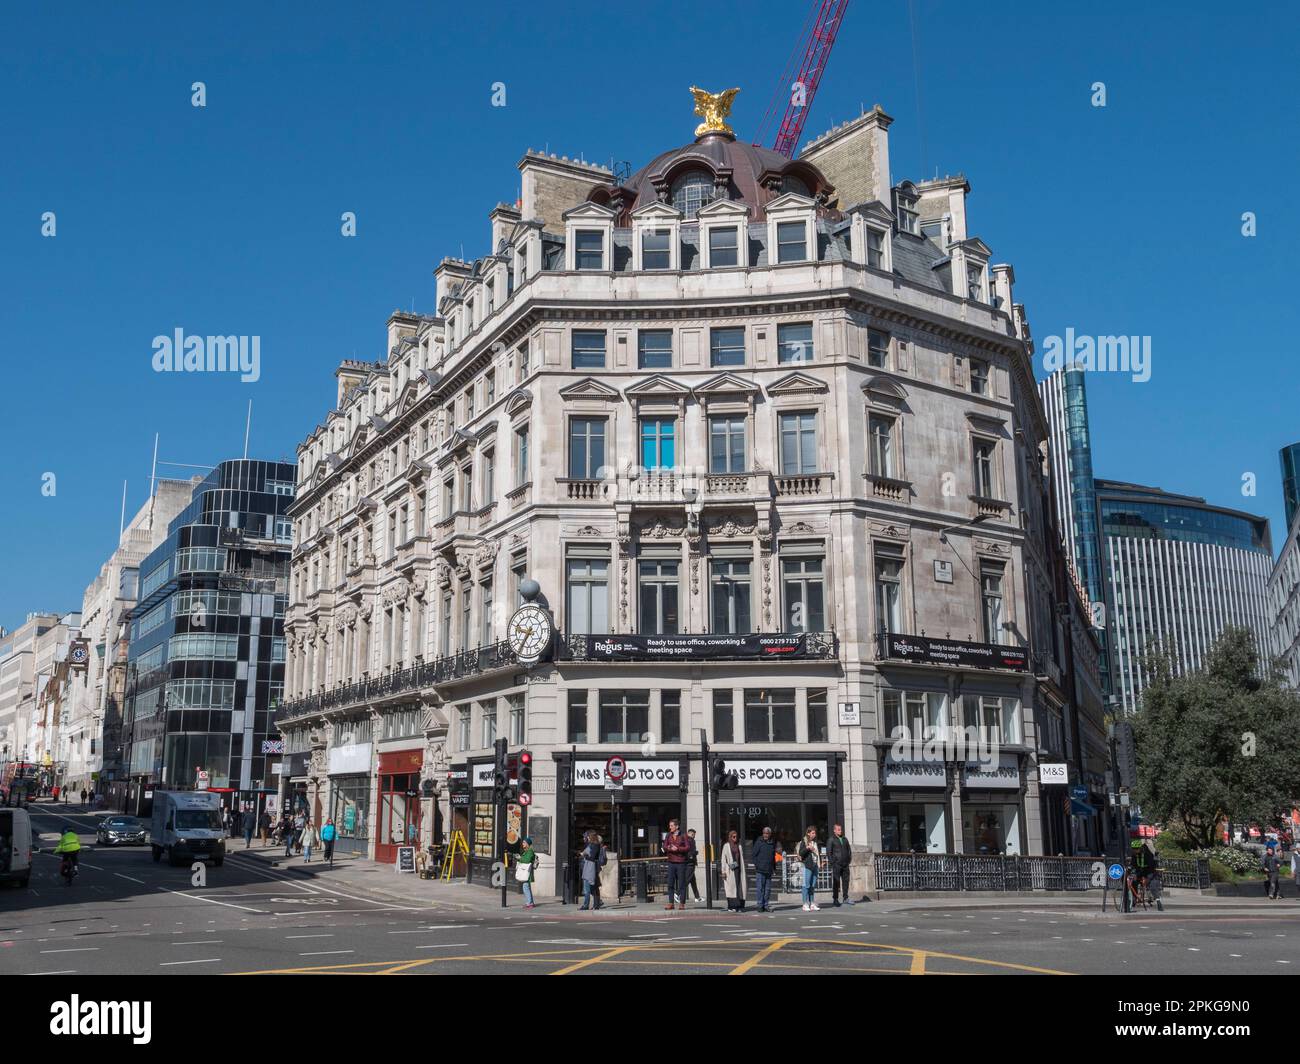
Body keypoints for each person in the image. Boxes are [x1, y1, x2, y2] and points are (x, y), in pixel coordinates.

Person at [661, 819, 691, 911]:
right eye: (669, 826)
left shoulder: (683, 835)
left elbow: (687, 847)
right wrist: (669, 847)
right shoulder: (668, 835)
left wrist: (677, 848)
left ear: (677, 826)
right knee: (670, 883)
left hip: (681, 862)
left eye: (671, 826)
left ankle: (682, 903)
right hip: (671, 862)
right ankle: (671, 903)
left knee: (681, 883)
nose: (670, 827)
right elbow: (664, 846)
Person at [751, 826, 778, 913]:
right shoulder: (759, 842)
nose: (766, 835)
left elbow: (773, 856)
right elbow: (754, 855)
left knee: (768, 889)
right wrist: (757, 865)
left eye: (767, 833)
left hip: (769, 870)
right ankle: (760, 905)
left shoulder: (772, 843)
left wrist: (774, 868)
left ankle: (766, 905)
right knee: (760, 888)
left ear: (770, 834)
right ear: (763, 834)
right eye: (764, 833)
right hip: (760, 870)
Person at [720, 829, 747, 912]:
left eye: (736, 836)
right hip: (730, 870)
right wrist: (723, 871)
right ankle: (731, 906)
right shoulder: (726, 846)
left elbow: (741, 858)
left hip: (738, 870)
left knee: (739, 888)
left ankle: (739, 906)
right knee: (731, 889)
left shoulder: (739, 846)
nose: (735, 838)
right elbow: (723, 859)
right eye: (733, 836)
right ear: (730, 837)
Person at [828, 823, 854, 906]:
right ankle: (835, 899)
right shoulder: (831, 839)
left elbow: (849, 850)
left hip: (845, 864)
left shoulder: (844, 839)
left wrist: (849, 860)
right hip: (837, 864)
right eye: (838, 829)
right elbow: (829, 852)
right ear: (834, 830)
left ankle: (845, 898)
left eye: (841, 829)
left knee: (846, 881)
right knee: (836, 882)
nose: (840, 831)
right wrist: (833, 862)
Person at [578, 831, 604, 911]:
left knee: (588, 888)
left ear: (591, 837)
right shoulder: (591, 845)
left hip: (591, 868)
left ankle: (587, 905)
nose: (587, 838)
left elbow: (592, 858)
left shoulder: (595, 845)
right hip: (588, 867)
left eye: (588, 836)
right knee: (593, 888)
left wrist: (584, 855)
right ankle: (596, 904)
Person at [797, 825, 821, 912]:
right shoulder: (804, 841)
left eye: (815, 833)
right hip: (808, 865)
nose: (814, 834)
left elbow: (817, 853)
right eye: (812, 833)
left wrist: (820, 863)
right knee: (806, 885)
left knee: (812, 885)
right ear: (808, 833)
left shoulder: (815, 842)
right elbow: (801, 853)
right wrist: (807, 848)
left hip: (815, 865)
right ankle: (805, 903)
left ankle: (812, 903)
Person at [516, 835, 538, 908]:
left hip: (527, 872)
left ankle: (529, 903)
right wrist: (519, 858)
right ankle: (530, 902)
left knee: (526, 887)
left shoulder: (530, 851)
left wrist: (520, 858)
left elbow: (527, 860)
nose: (523, 844)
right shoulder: (526, 851)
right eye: (523, 843)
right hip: (526, 872)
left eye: (524, 843)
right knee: (527, 887)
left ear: (528, 844)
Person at [685, 828, 701, 903]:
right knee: (687, 880)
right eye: (693, 834)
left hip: (691, 862)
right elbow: (690, 852)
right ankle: (678, 893)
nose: (694, 836)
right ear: (689, 833)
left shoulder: (690, 840)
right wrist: (695, 853)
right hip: (690, 863)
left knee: (693, 881)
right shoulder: (689, 840)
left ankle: (697, 897)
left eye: (694, 835)